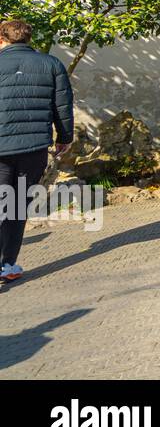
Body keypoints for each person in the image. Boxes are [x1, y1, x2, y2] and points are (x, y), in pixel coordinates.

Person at [0, 19, 74, 282]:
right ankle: (7, 264)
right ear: (29, 38)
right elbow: (63, 105)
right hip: (34, 148)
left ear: (2, 39)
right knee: (18, 205)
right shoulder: (52, 64)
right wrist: (64, 138)